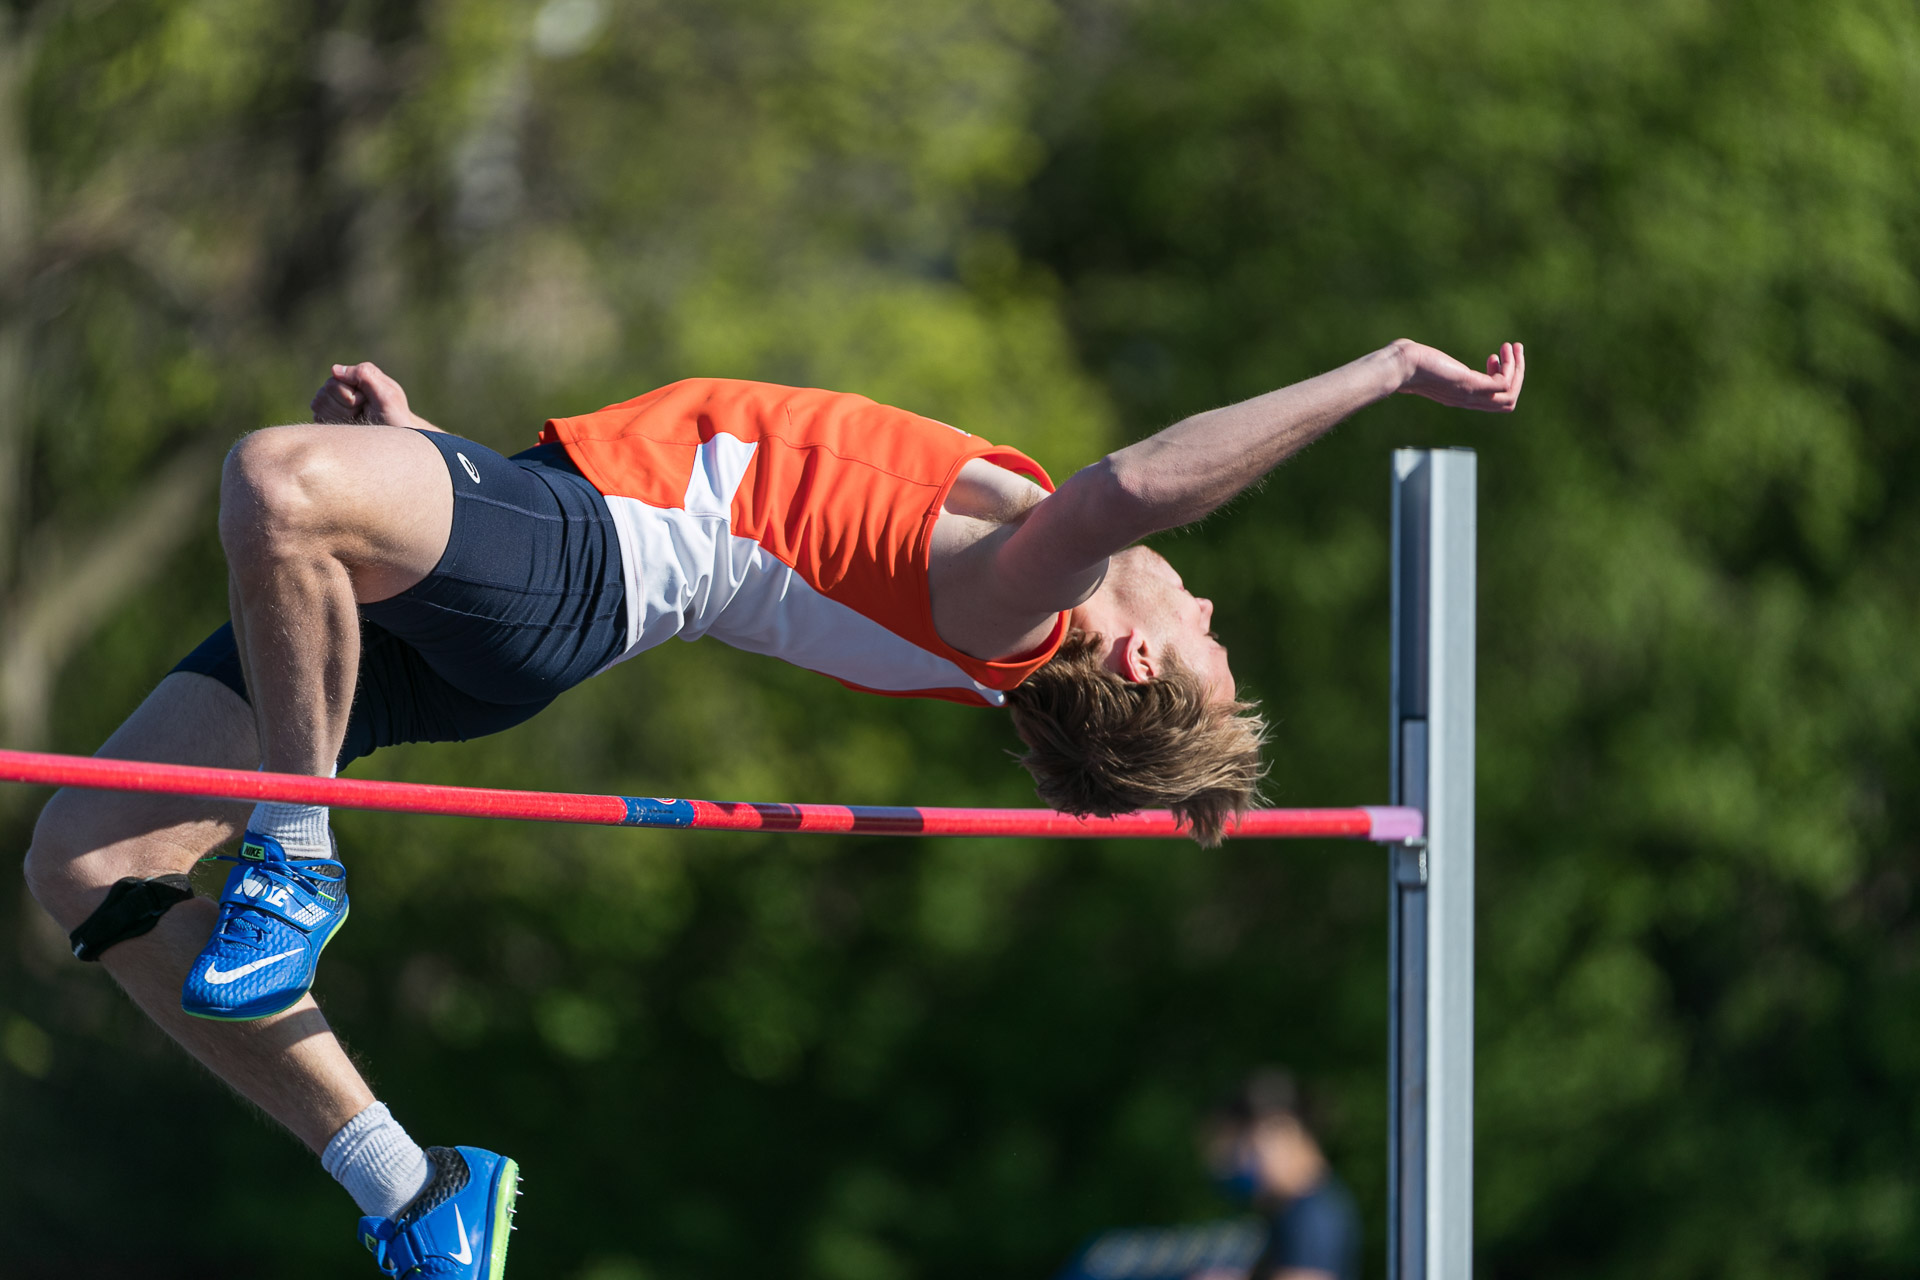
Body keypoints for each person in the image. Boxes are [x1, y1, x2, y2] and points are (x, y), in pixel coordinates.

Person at [22, 339, 1521, 1276]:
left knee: (279, 482)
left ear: (1136, 658)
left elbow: (1140, 485)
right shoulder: (1009, 587)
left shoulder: (1021, 604)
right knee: (86, 858)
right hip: (546, 536)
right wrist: (423, 467)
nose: (1209, 607)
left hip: (591, 560)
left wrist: (1385, 372)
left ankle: (298, 854)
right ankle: (411, 1191)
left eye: (1207, 642)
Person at [1197, 1070, 1361, 1280]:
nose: (1240, 1165)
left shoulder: (1313, 1215)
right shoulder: (1293, 1210)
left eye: (1247, 1149)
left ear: (1282, 1132)